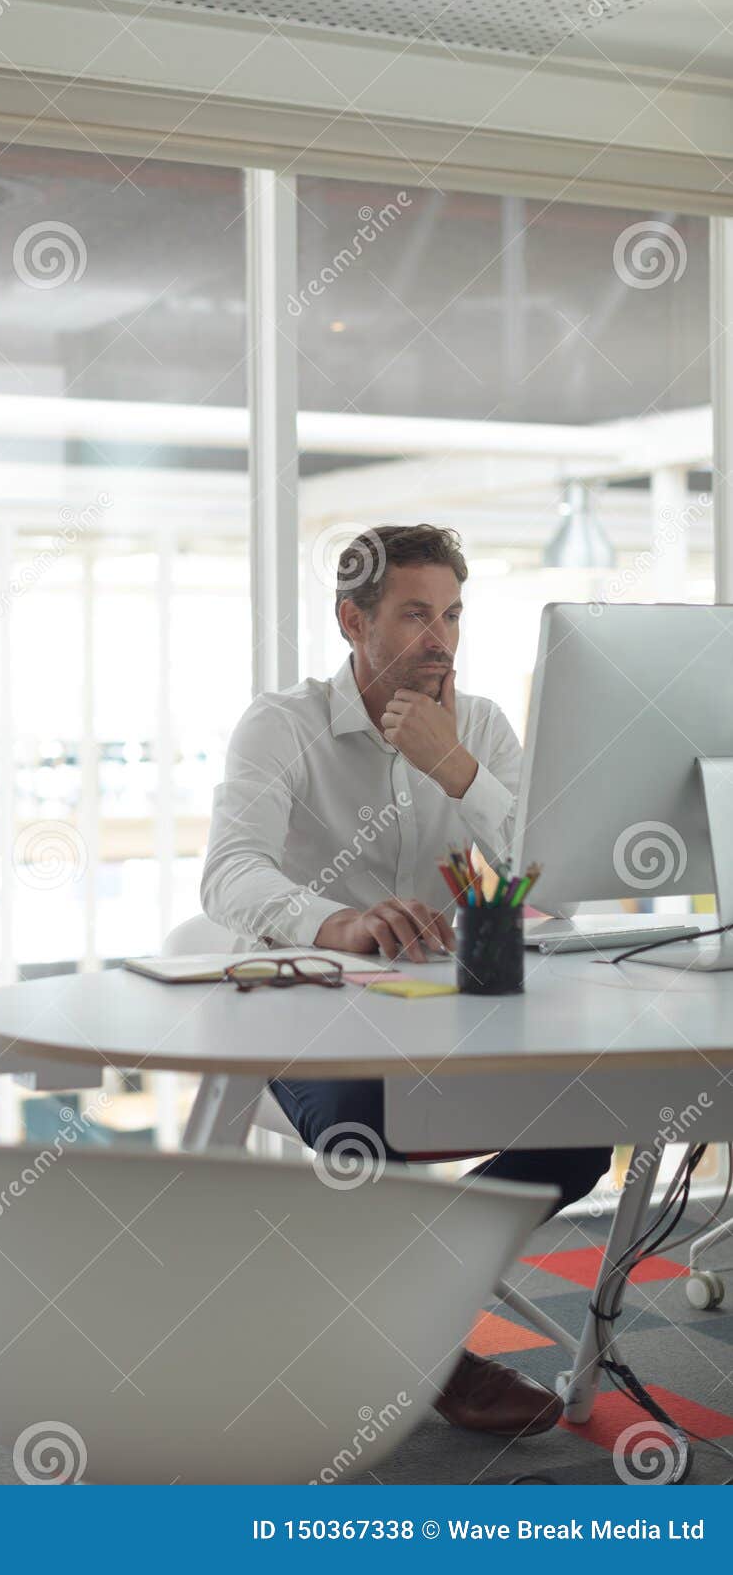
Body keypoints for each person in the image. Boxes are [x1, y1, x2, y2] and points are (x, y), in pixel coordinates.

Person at [201, 522, 611, 1438]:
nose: (440, 637)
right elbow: (227, 874)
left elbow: (550, 872)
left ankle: (397, 1311)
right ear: (353, 621)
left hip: (448, 1020)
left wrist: (456, 769)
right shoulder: (283, 727)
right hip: (306, 1017)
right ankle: (432, 1347)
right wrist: (334, 921)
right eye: (415, 614)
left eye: (453, 614)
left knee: (586, 1130)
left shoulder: (486, 730)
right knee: (360, 1125)